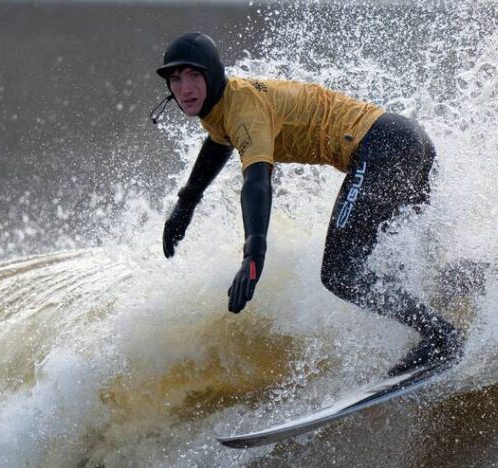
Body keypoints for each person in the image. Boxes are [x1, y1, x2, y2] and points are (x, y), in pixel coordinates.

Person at [155, 31, 463, 376]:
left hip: (382, 149)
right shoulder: (225, 106)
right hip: (407, 140)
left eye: (194, 75)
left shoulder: (243, 111)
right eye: (176, 79)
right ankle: (469, 284)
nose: (185, 88)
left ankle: (441, 336)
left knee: (341, 273)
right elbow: (218, 142)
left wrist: (253, 255)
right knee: (395, 263)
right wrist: (187, 202)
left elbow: (257, 181)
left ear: (213, 75)